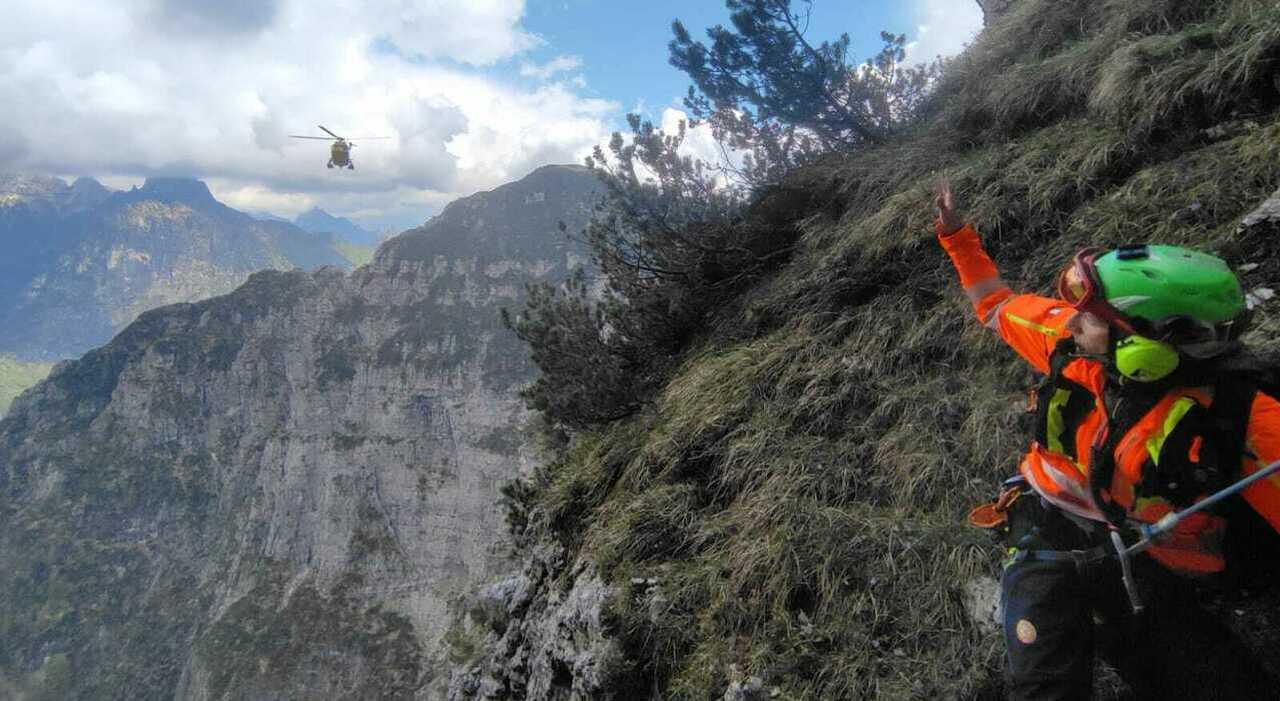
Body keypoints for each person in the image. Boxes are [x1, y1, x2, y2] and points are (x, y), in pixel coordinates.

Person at [933, 180, 1280, 699]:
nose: (1071, 321)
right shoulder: (1071, 346)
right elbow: (995, 304)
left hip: (1149, 558)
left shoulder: (1247, 421)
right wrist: (957, 237)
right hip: (1046, 527)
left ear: (1144, 343)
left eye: (1090, 316)